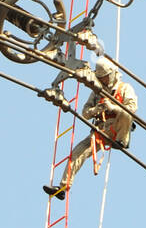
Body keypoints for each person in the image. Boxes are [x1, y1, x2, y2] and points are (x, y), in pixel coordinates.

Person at [43, 57, 137, 198]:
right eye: (101, 78)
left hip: (118, 127)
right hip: (100, 130)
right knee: (77, 152)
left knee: (127, 114)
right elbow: (85, 113)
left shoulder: (125, 88)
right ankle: (62, 188)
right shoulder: (97, 91)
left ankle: (121, 141)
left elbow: (132, 108)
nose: (103, 80)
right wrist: (98, 109)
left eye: (105, 77)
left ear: (111, 74)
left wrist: (113, 107)